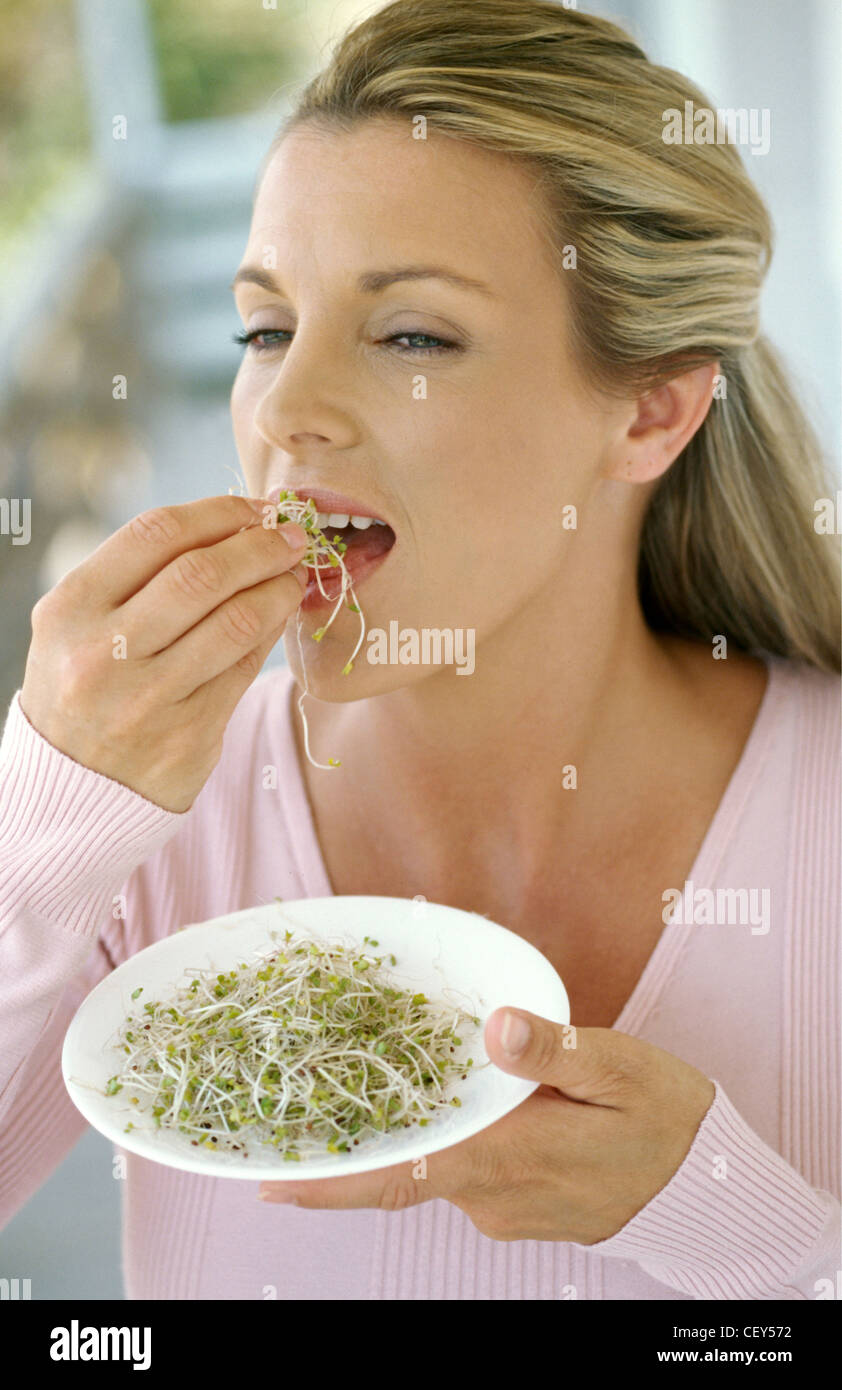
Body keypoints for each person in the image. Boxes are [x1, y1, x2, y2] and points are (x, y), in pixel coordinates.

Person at [1, 0, 839, 1301]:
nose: (284, 408)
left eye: (409, 337)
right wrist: (42, 806)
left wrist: (728, 1218)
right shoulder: (154, 826)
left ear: (652, 410)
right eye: (265, 328)